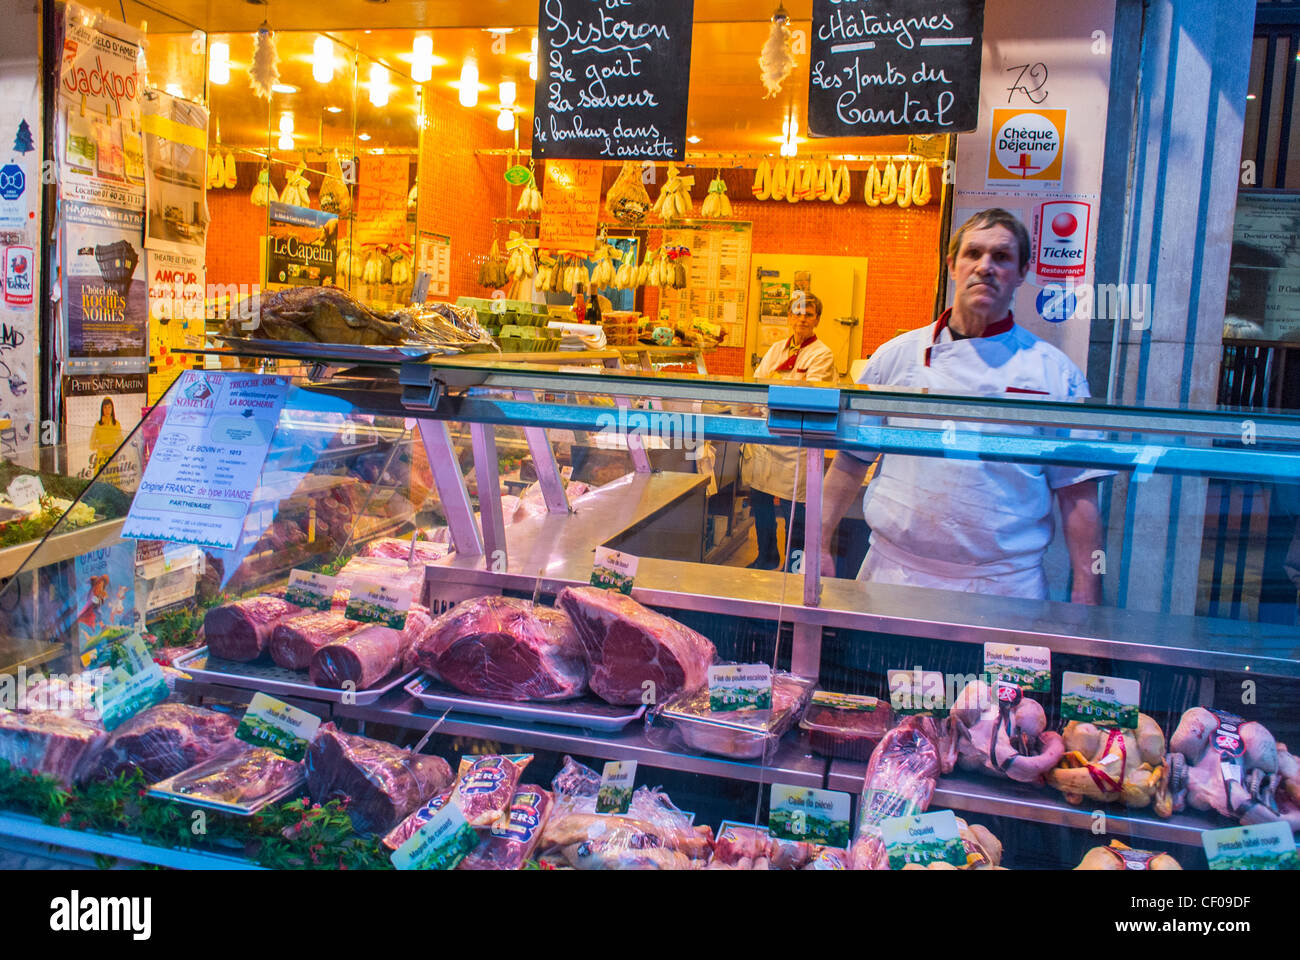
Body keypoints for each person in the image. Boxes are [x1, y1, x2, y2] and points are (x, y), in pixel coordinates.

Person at [818, 209, 1108, 602]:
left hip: (1005, 589)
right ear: (953, 265)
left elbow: (1078, 495)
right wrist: (816, 542)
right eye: (973, 253)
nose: (985, 267)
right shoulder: (896, 357)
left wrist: (1086, 596)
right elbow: (851, 461)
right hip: (894, 576)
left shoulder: (1056, 374)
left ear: (1022, 272)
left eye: (1002, 257)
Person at [743, 292, 838, 570]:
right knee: (760, 499)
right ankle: (766, 557)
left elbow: (808, 396)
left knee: (793, 509)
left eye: (808, 314)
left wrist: (774, 396)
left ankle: (794, 566)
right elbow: (759, 384)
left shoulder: (822, 354)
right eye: (797, 313)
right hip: (768, 438)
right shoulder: (775, 350)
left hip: (797, 443)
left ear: (817, 319)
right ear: (788, 317)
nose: (802, 319)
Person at [89, 397, 124, 469]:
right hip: (101, 459)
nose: (107, 410)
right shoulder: (98, 425)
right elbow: (91, 445)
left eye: (109, 407)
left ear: (112, 409)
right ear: (102, 409)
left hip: (112, 458)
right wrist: (101, 446)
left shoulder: (116, 424)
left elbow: (122, 442)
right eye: (105, 407)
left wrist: (114, 446)